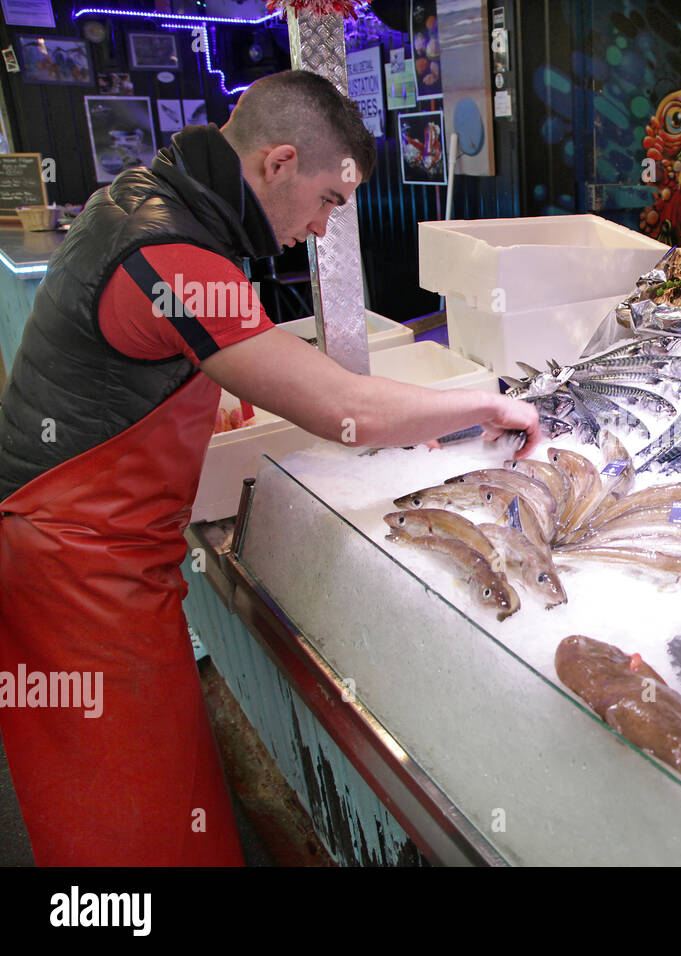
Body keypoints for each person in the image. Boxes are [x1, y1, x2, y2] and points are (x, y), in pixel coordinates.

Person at [0, 69, 538, 866]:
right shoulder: (172, 252)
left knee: (167, 784)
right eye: (327, 200)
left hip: (100, 555)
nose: (323, 229)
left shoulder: (150, 198)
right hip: (79, 572)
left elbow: (138, 350)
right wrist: (485, 406)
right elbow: (337, 407)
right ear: (279, 163)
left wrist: (192, 384)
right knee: (127, 827)